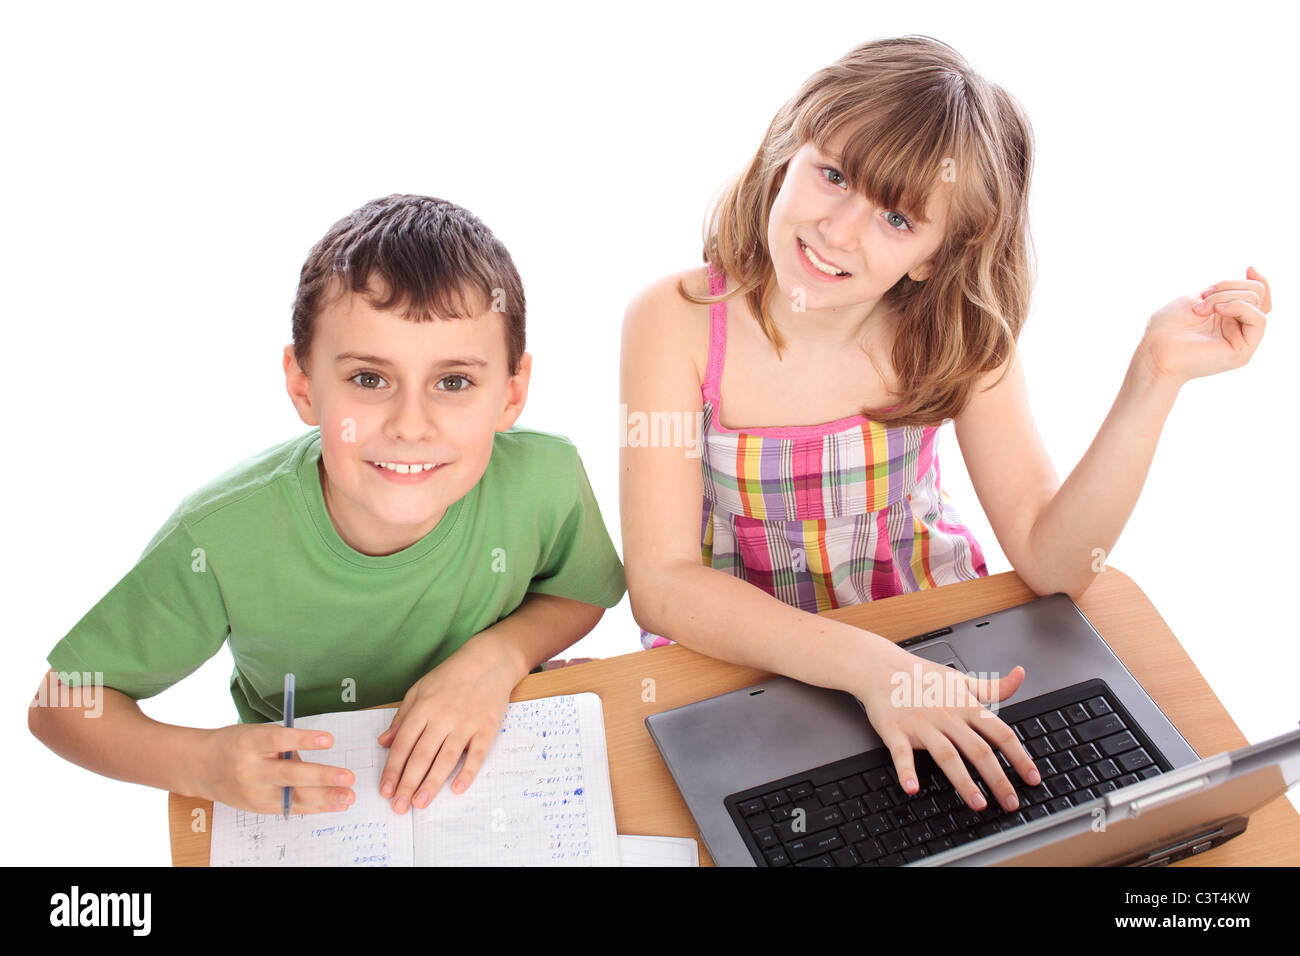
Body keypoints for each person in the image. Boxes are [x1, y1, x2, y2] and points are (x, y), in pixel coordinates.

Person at [619, 36, 1270, 820]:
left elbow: (1056, 562)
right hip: (746, 653)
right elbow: (662, 587)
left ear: (934, 255)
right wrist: (871, 668)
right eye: (832, 177)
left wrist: (1153, 378)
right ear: (786, 154)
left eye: (897, 218)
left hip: (929, 635)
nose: (840, 232)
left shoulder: (955, 332)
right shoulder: (678, 321)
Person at [29, 194, 626, 818]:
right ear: (303, 385)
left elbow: (579, 590)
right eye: (370, 379)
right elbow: (61, 703)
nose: (411, 426)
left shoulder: (546, 477)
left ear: (512, 392)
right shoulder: (221, 536)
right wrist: (201, 763)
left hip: (494, 774)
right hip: (314, 811)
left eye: (453, 382)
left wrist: (498, 657)